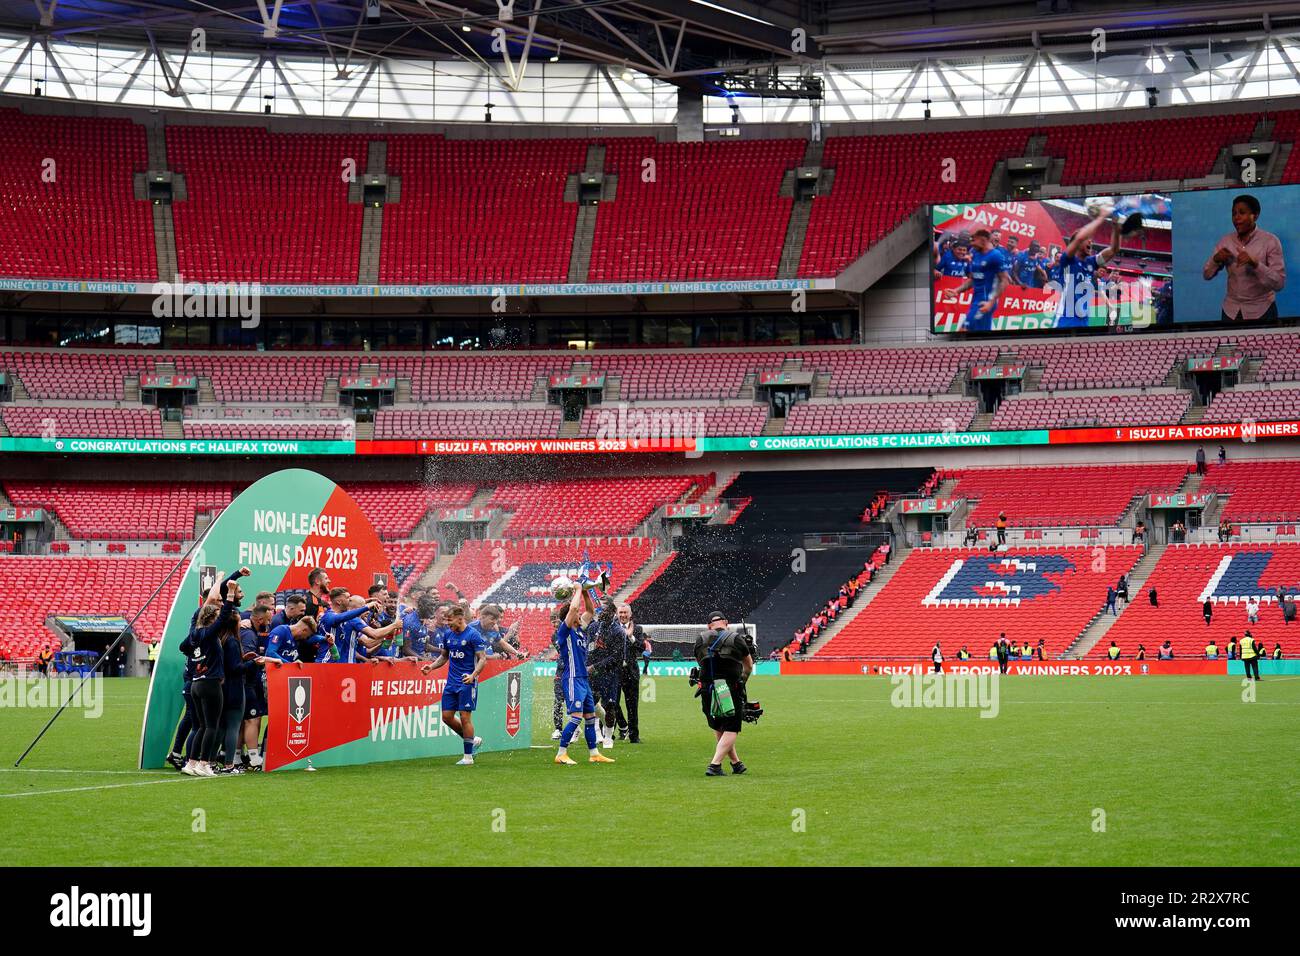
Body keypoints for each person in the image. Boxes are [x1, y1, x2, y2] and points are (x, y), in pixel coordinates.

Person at [180, 567, 247, 777]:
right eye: (216, 614)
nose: (220, 614)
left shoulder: (194, 633)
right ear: (211, 619)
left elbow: (183, 647)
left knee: (201, 726)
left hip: (196, 683)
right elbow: (224, 614)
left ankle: (191, 763)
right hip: (210, 683)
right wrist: (230, 593)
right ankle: (204, 764)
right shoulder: (209, 633)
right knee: (212, 726)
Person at [552, 580, 615, 766]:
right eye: (577, 615)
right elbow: (573, 609)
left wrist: (586, 591)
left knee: (589, 717)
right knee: (576, 717)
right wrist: (578, 589)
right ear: (570, 618)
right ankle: (561, 753)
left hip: (583, 680)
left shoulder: (579, 630)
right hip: (572, 678)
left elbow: (590, 611)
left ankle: (594, 753)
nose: (580, 616)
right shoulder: (564, 631)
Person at [1202, 193, 1286, 322]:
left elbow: (1279, 283)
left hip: (1262, 310)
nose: (1236, 218)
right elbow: (1207, 275)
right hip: (1231, 312)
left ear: (1255, 215)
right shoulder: (1225, 241)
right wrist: (1216, 260)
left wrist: (1256, 264)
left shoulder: (1270, 241)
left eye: (1242, 213)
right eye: (1234, 213)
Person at [420, 605, 487, 766]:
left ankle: (468, 757)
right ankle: (473, 740)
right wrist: (431, 667)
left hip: (467, 682)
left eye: (450, 620)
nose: (448, 624)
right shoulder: (448, 634)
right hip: (451, 682)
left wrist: (473, 676)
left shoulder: (473, 635)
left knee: (465, 717)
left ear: (460, 619)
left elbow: (482, 658)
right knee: (447, 717)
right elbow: (444, 656)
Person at [694, 611, 754, 777]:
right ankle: (715, 765)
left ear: (709, 626)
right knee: (732, 727)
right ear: (726, 622)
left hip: (707, 688)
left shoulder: (701, 639)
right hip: (729, 687)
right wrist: (742, 682)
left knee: (719, 725)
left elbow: (700, 662)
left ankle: (736, 763)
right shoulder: (736, 638)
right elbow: (748, 665)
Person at [1054, 203, 1122, 328]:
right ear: (1076, 244)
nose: (1091, 241)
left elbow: (1114, 250)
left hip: (1084, 322)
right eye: (1087, 239)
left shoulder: (1090, 262)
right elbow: (1080, 238)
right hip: (1065, 321)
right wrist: (1101, 217)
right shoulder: (1067, 260)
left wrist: (1116, 227)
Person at [941, 228, 1011, 333]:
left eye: (974, 240)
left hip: (985, 301)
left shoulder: (995, 256)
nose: (971, 243)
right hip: (976, 300)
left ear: (983, 240)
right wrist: (956, 291)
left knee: (963, 330)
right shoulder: (975, 254)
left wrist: (991, 302)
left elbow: (1005, 281)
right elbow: (973, 279)